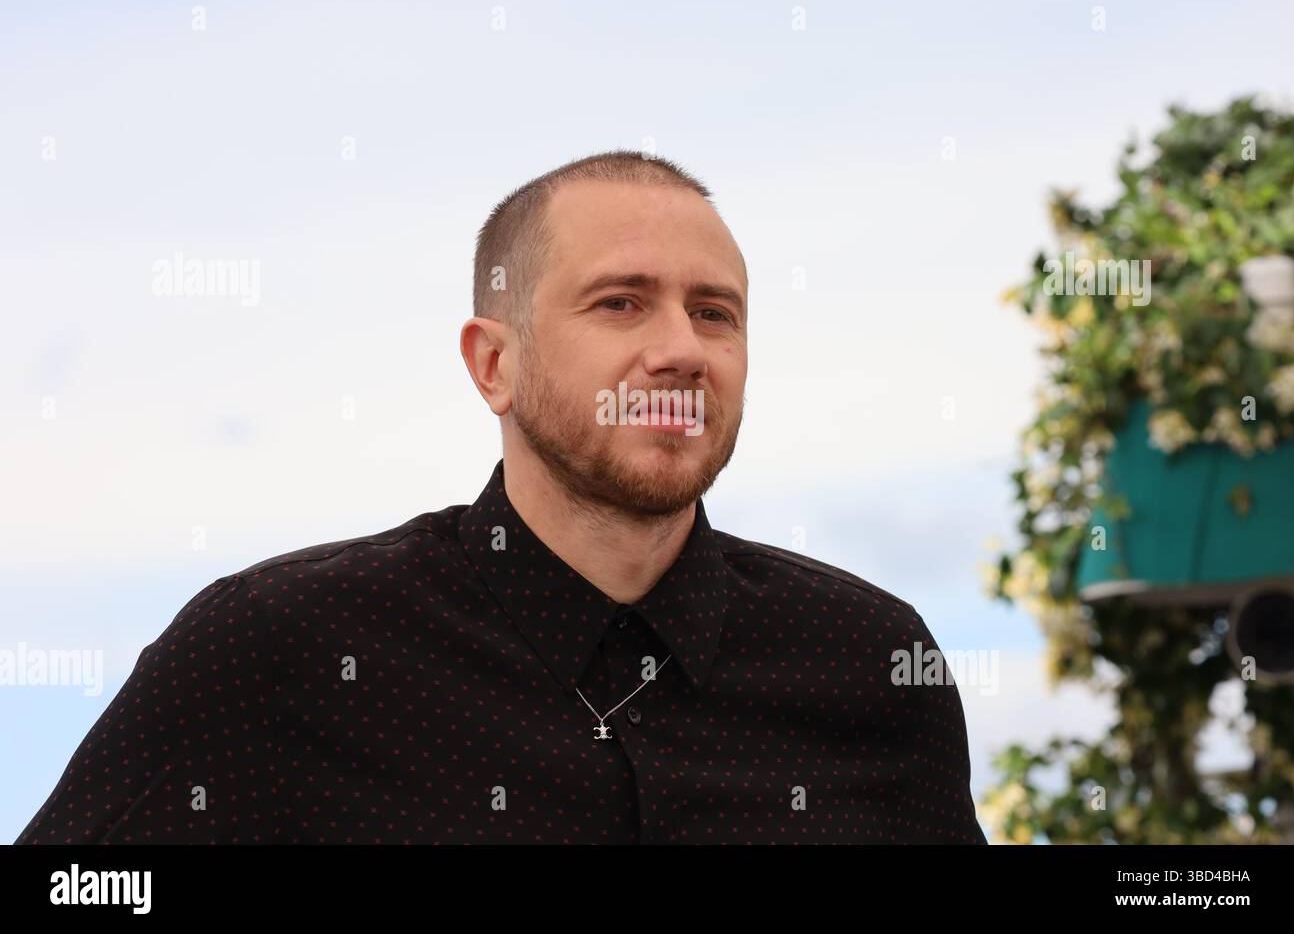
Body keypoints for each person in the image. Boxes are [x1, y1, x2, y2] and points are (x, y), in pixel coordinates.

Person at [16, 150, 986, 844]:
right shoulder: (271, 649)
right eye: (620, 301)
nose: (682, 347)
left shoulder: (868, 661)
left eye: (713, 312)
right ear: (494, 363)